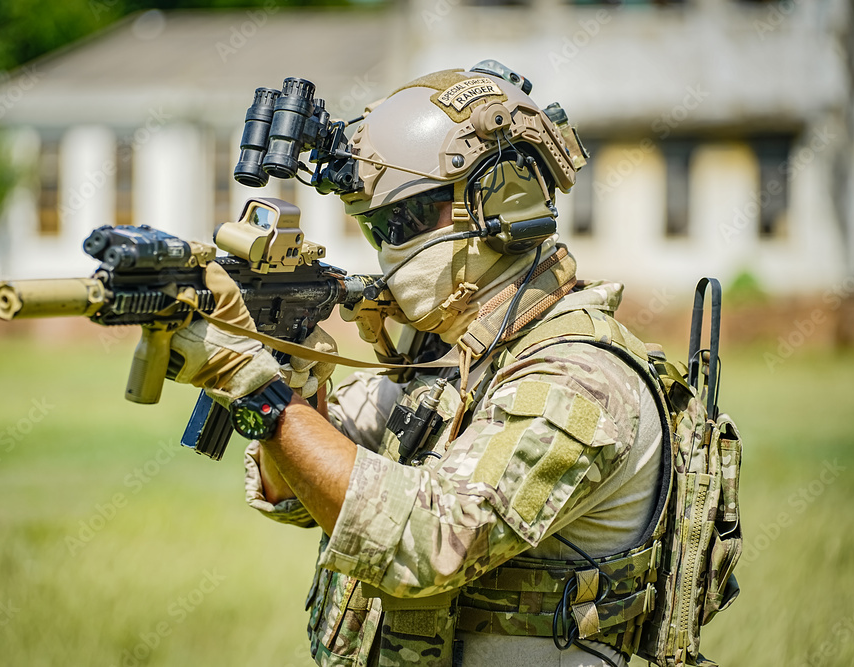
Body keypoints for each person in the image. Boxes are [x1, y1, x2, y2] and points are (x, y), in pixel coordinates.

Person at [168, 62, 667, 667]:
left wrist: (257, 392)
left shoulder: (579, 377)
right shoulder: (450, 359)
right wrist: (289, 378)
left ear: (501, 199)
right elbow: (298, 495)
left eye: (403, 221)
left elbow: (429, 546)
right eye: (375, 227)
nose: (388, 248)